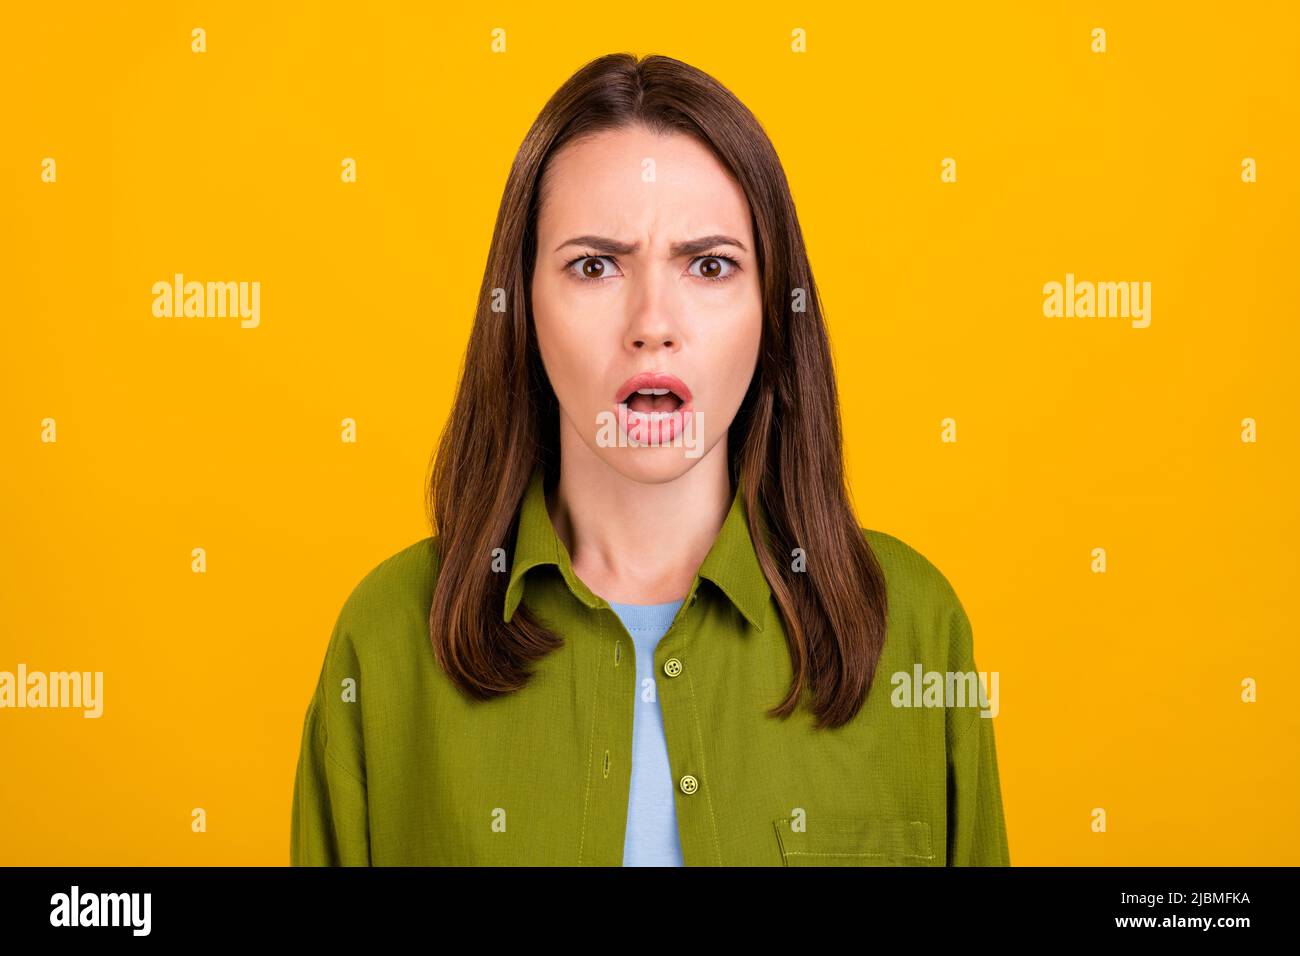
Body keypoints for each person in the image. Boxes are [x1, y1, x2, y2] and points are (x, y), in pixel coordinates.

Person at [291, 52, 1010, 867]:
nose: (653, 323)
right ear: (521, 305)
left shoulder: (913, 628)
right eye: (595, 265)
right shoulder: (386, 642)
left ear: (774, 309)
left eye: (710, 265)